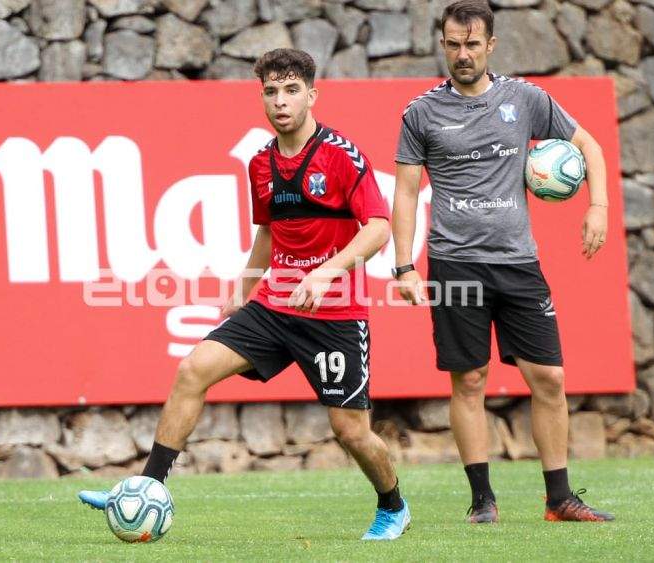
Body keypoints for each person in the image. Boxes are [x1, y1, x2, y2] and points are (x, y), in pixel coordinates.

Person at [78, 48, 411, 541]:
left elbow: (379, 228)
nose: (281, 101)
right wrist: (243, 290)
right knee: (193, 370)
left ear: (312, 96)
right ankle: (146, 488)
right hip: (274, 305)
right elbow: (269, 233)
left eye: (292, 90)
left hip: (335, 315)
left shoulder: (340, 155)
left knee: (351, 432)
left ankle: (393, 506)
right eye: (271, 91)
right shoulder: (260, 163)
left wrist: (325, 273)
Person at [391, 0, 614, 523]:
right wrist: (404, 265)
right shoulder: (421, 112)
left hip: (518, 262)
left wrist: (598, 207)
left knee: (550, 378)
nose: (462, 54)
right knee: (469, 381)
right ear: (442, 45)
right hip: (454, 263)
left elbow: (590, 146)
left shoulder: (525, 99)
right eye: (453, 44)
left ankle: (559, 499)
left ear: (490, 45)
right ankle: (482, 501)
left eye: (472, 44)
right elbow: (405, 193)